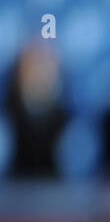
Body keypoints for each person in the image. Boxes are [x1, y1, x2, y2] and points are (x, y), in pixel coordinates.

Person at [3, 41, 70, 179]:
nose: (40, 71)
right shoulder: (7, 116)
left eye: (45, 64)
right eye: (34, 63)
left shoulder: (68, 119)